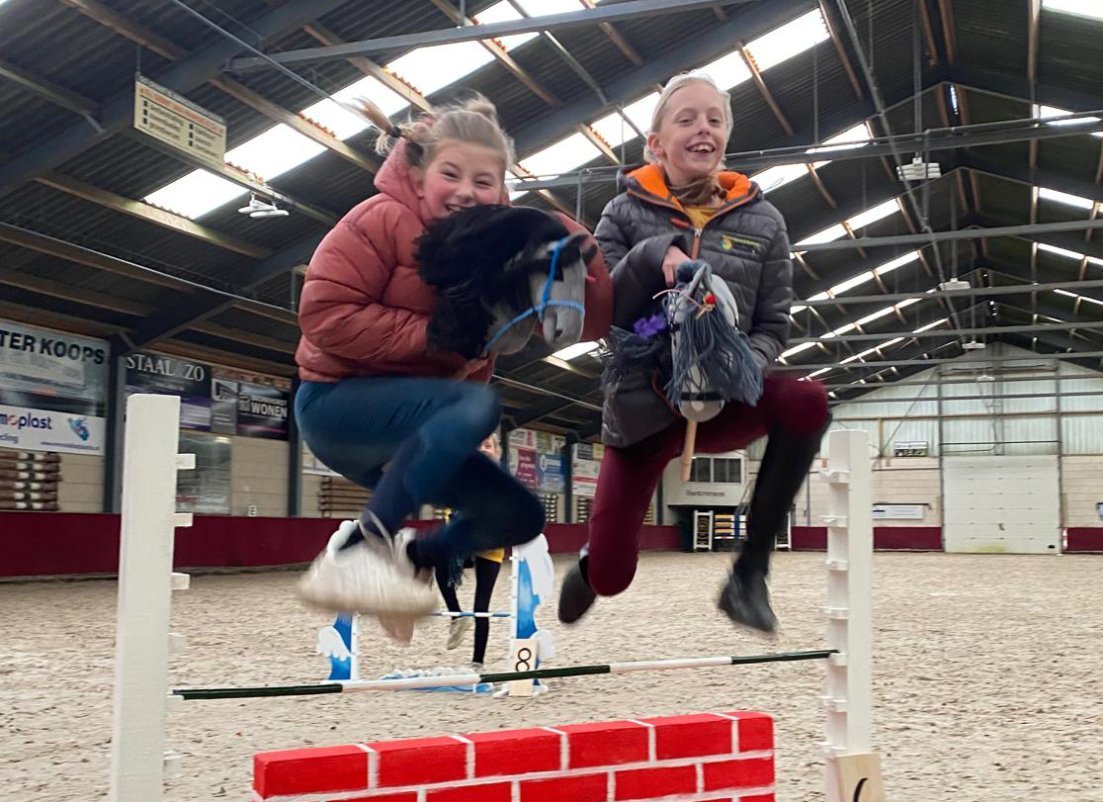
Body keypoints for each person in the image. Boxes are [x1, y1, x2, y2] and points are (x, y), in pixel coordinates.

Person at [294, 94, 610, 636]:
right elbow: (323, 314)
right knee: (478, 403)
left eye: (484, 182)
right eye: (451, 174)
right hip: (337, 406)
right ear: (418, 175)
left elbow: (478, 356)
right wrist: (435, 336)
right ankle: (361, 548)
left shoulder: (492, 255)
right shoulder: (380, 218)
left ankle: (415, 559)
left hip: (415, 431)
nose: (467, 191)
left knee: (518, 515)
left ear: (502, 191)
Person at [559, 72, 830, 634]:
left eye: (714, 119)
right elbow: (606, 309)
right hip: (646, 407)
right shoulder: (622, 213)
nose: (702, 128)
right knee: (613, 576)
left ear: (726, 134)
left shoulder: (765, 222)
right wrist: (660, 251)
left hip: (727, 398)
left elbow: (774, 323)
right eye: (686, 119)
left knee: (807, 400)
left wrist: (737, 363)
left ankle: (750, 571)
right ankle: (592, 568)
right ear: (656, 144)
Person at [438, 433, 505, 667]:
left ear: (497, 452)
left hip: (491, 544)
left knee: (481, 605)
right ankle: (456, 617)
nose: (484, 449)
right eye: (479, 445)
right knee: (440, 559)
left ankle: (477, 662)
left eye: (489, 445)